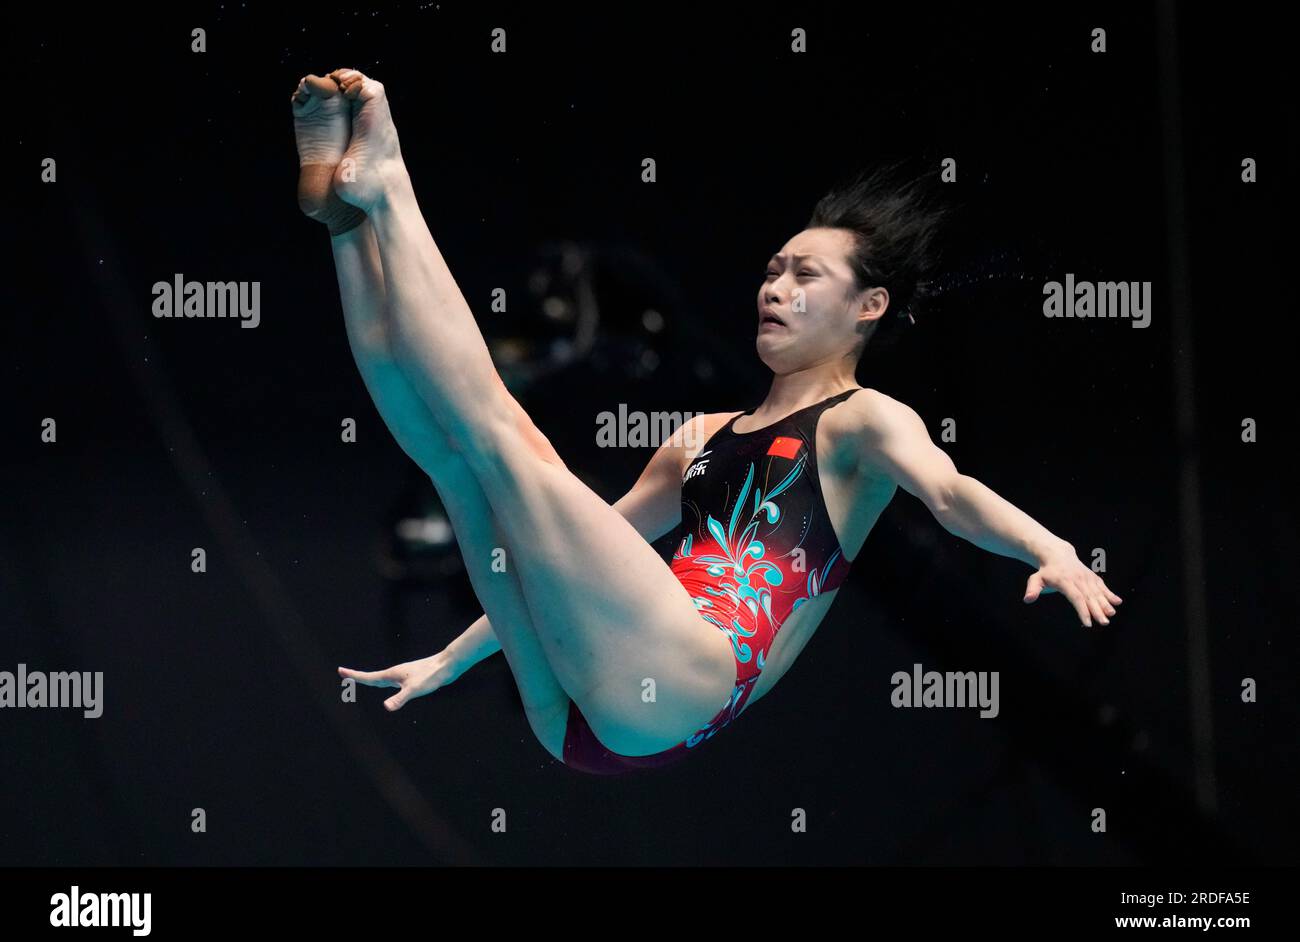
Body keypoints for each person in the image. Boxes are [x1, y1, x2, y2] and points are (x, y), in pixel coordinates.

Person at [293, 68, 1123, 775]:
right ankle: (347, 224)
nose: (774, 286)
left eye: (806, 274)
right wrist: (452, 657)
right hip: (589, 722)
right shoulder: (696, 439)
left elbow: (950, 493)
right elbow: (573, 555)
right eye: (771, 270)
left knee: (504, 441)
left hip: (683, 677)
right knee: (458, 460)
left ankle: (391, 188)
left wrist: (1047, 547)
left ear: (869, 307)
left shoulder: (862, 422)